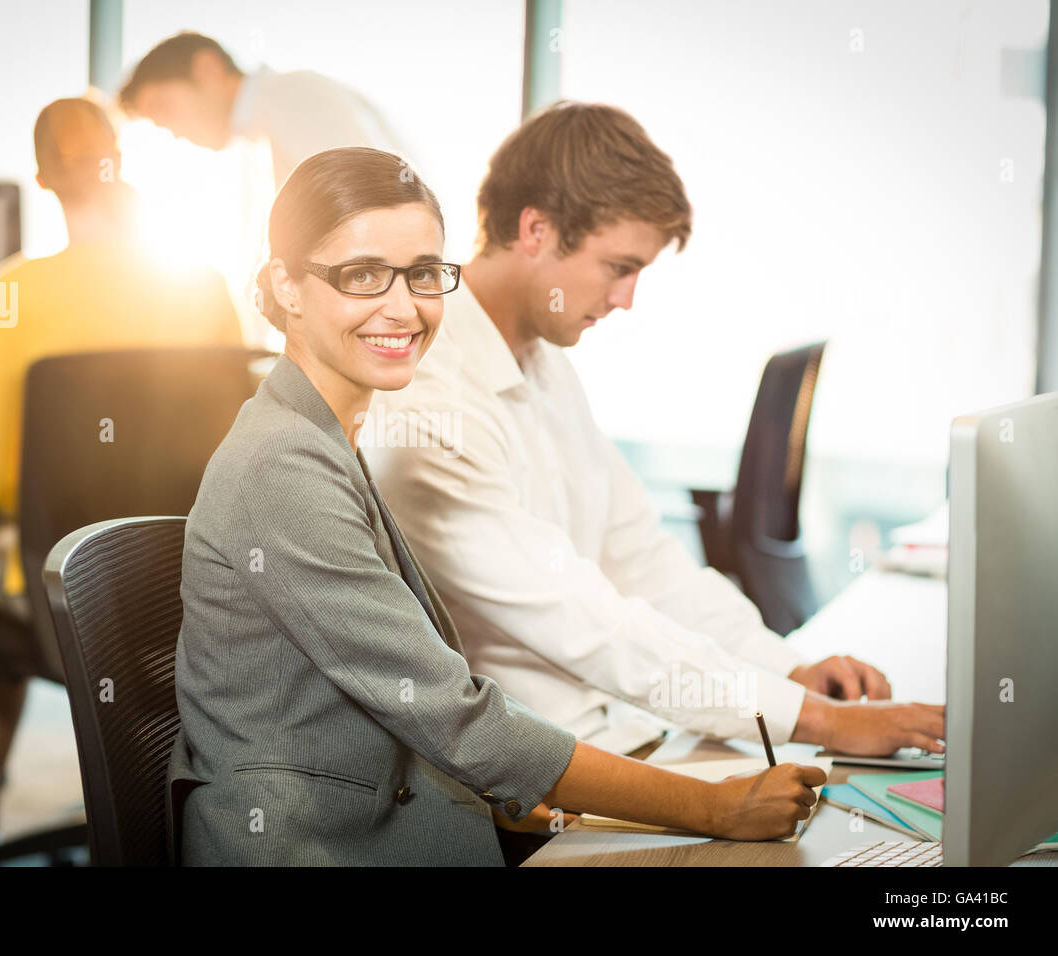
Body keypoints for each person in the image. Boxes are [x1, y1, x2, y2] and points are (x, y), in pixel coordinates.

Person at [167, 145, 825, 866]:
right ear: (286, 286)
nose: (403, 307)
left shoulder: (322, 434)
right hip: (314, 844)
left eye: (422, 273)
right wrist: (715, 807)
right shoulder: (282, 467)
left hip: (382, 816)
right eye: (361, 275)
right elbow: (456, 717)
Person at [363, 102, 946, 765]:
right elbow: (586, 625)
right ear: (535, 229)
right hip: (541, 788)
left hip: (634, 735)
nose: (626, 299)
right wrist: (820, 723)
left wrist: (787, 671)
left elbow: (641, 559)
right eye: (618, 266)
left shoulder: (545, 363)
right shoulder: (426, 399)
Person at [0, 96, 242, 855]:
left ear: (44, 179)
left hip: (70, 581)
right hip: (197, 576)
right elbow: (237, 451)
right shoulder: (199, 285)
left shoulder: (5, 295)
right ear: (118, 162)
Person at [118, 32, 408, 189]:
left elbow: (367, 201)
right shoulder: (257, 134)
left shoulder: (291, 95)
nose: (174, 133)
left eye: (164, 108)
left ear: (207, 68)